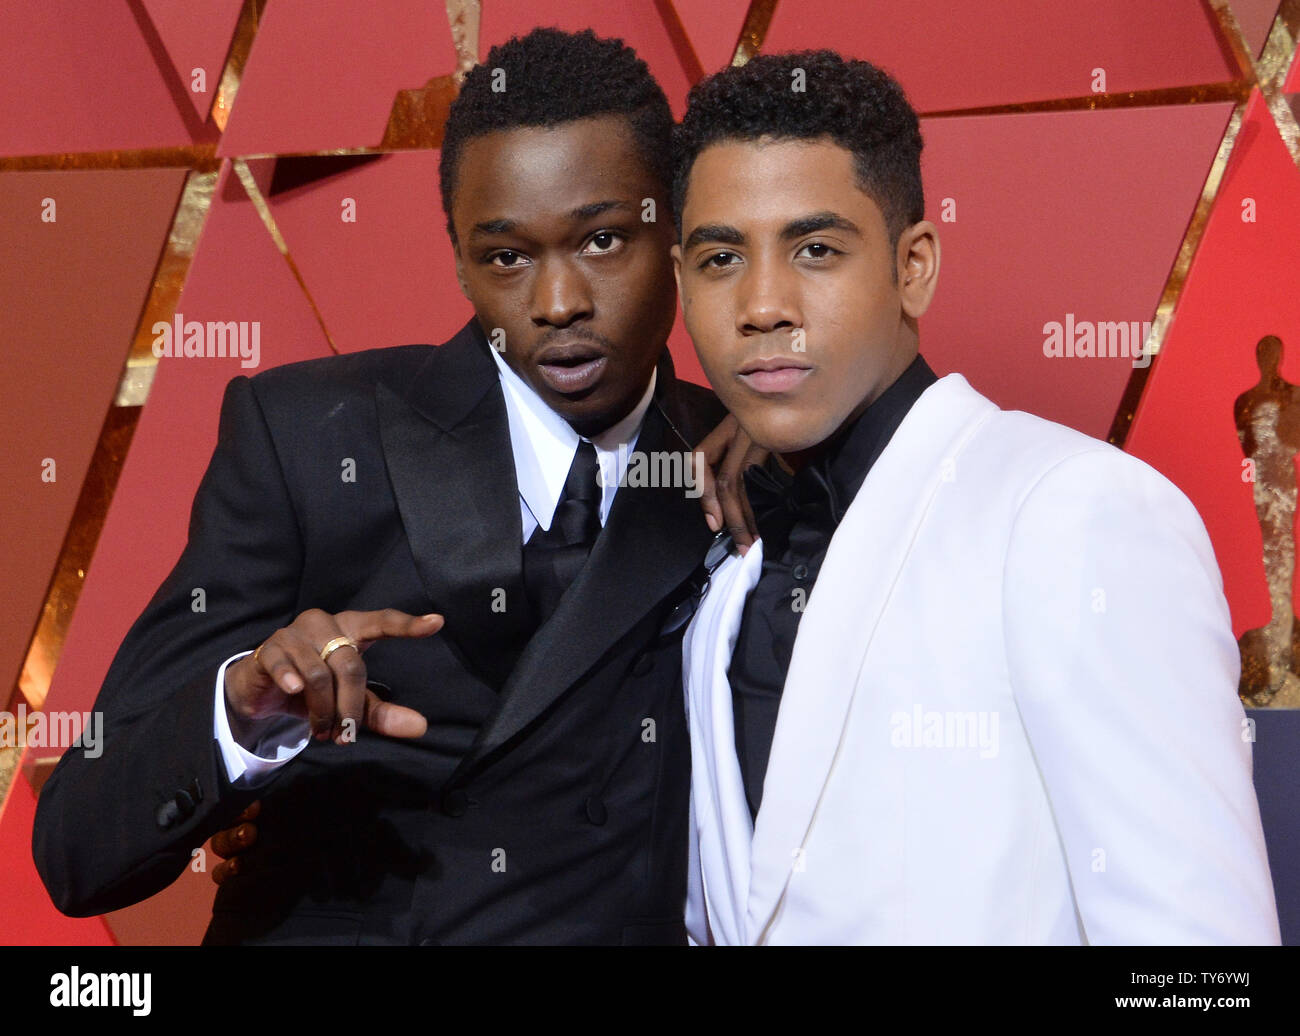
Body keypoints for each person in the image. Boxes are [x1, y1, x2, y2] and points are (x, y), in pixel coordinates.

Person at [33, 27, 750, 946]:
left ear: (681, 233)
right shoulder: (305, 439)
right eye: (505, 257)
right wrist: (240, 718)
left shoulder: (753, 465)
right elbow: (77, 845)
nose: (558, 300)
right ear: (457, 260)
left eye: (604, 239)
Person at [670, 50, 1281, 944]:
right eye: (721, 257)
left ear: (913, 266)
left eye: (816, 250)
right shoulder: (719, 558)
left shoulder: (1074, 511)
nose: (764, 304)